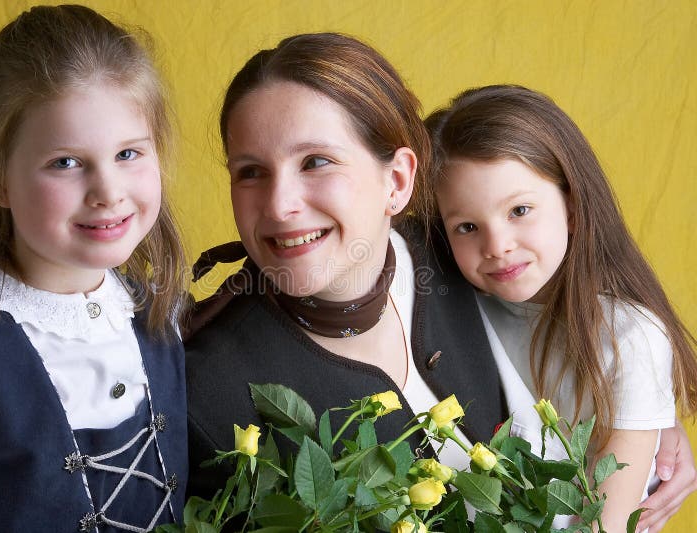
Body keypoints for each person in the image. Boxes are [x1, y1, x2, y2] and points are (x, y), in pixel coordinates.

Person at [184, 34, 696, 531]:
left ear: (399, 181)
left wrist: (642, 414)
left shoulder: (454, 248)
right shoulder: (207, 389)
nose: (279, 207)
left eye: (316, 161)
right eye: (250, 172)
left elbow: (580, 294)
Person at [0, 5, 187, 532]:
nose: (108, 193)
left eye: (128, 153)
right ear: (0, 181)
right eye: (66, 162)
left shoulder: (156, 316)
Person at [426, 84, 697, 531]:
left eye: (519, 210)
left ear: (572, 205)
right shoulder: (451, 301)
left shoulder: (630, 336)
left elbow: (602, 524)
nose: (497, 246)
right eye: (467, 226)